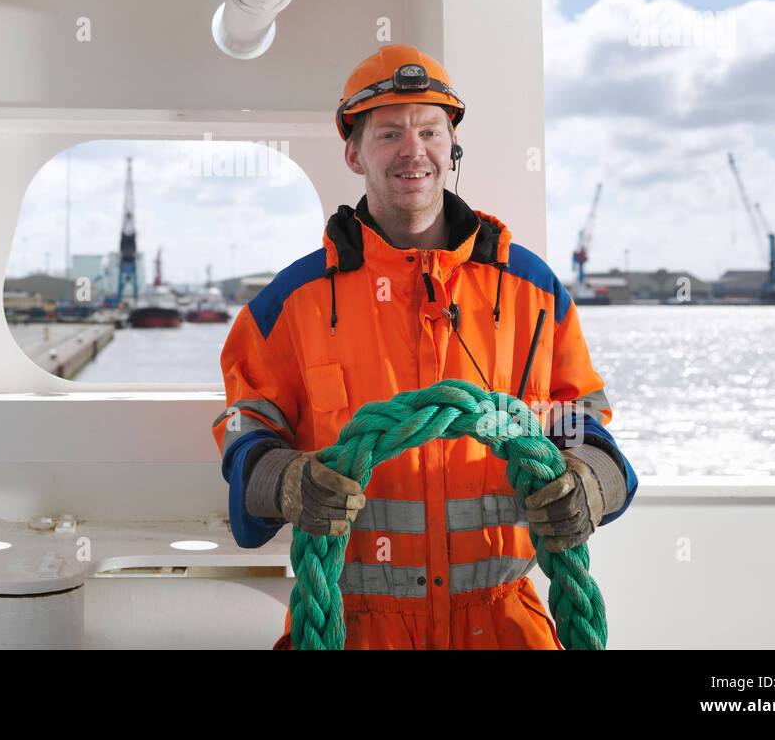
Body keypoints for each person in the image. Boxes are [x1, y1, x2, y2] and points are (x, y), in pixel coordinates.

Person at [212, 44, 637, 650]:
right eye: (389, 134)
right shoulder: (293, 302)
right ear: (354, 153)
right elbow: (246, 426)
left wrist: (591, 481)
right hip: (354, 629)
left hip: (504, 625)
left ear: (451, 144)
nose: (414, 151)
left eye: (429, 130)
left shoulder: (533, 291)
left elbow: (581, 420)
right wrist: (286, 483)